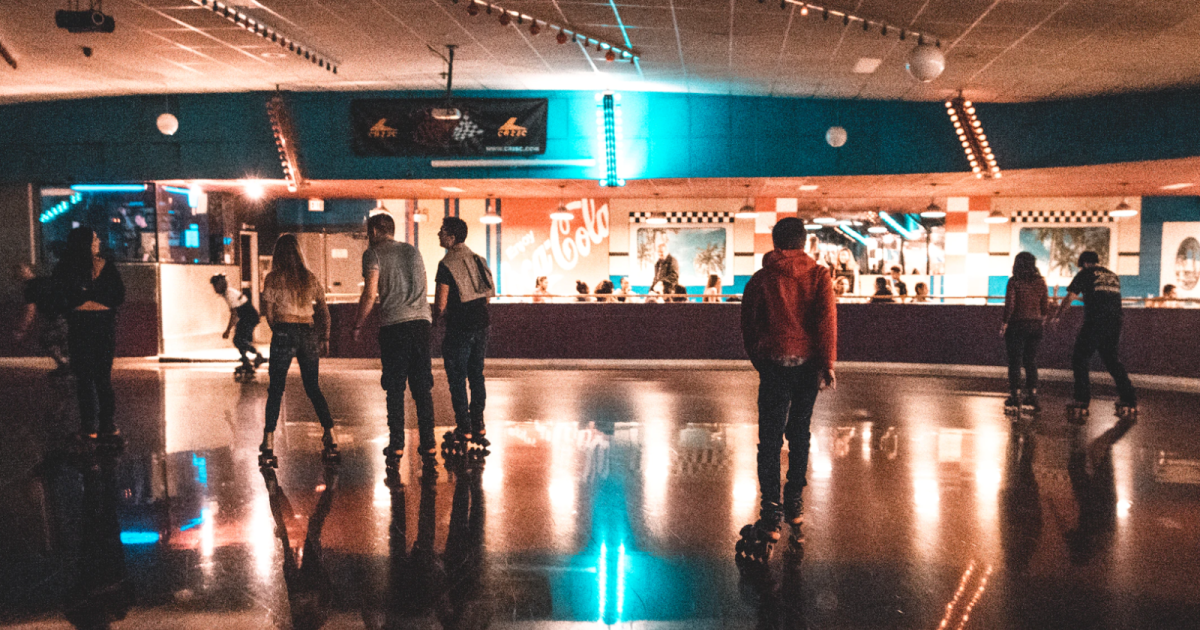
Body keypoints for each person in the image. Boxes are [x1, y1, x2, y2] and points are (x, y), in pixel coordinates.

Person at [738, 217, 837, 557]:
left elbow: (749, 325)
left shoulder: (761, 279)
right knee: (800, 432)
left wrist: (761, 359)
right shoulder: (820, 275)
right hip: (808, 366)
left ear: (775, 243)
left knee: (770, 439)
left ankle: (771, 512)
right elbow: (826, 321)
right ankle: (794, 502)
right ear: (804, 243)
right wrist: (827, 364)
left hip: (774, 364)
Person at [353, 213, 436, 466]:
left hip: (394, 327)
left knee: (395, 388)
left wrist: (358, 324)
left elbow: (370, 294)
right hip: (421, 324)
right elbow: (422, 284)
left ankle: (397, 446)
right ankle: (429, 445)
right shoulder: (413, 251)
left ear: (375, 231)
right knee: (422, 388)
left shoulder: (373, 254)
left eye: (368, 232)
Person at [260, 234, 337, 467]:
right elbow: (324, 311)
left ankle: (268, 441)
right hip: (308, 332)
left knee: (276, 389)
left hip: (284, 330)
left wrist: (280, 332)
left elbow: (269, 314)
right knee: (313, 388)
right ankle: (331, 435)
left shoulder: (273, 278)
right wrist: (325, 337)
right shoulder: (309, 278)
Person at [53, 227, 125, 444]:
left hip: (80, 325)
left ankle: (88, 427)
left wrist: (82, 297)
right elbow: (118, 296)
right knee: (103, 377)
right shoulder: (107, 267)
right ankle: (108, 426)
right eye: (94, 238)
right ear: (85, 243)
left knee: (84, 378)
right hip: (103, 325)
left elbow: (60, 298)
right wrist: (98, 297)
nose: (98, 241)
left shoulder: (64, 268)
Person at [432, 216, 496, 455]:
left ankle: (464, 426)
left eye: (442, 231)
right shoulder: (479, 259)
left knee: (457, 377)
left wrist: (435, 320)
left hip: (459, 327)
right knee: (476, 374)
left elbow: (440, 303)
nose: (438, 234)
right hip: (482, 324)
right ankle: (478, 423)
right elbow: (487, 296)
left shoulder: (446, 264)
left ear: (451, 237)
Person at [1049, 251, 1137, 421]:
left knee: (1080, 358)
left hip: (1096, 321)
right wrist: (1084, 300)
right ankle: (1129, 398)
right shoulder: (1112, 276)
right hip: (1115, 322)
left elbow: (1070, 297)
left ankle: (1081, 399)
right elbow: (1101, 297)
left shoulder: (1085, 273)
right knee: (1112, 361)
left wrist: (1057, 316)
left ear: (1084, 263)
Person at [1000, 252, 1049, 411]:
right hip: (1035, 326)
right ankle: (1032, 396)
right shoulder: (1041, 282)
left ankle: (1015, 396)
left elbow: (1010, 305)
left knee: (1015, 362)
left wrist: (1004, 323)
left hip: (1017, 325)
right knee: (1030, 361)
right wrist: (1040, 320)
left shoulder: (1014, 281)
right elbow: (1045, 306)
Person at [13, 262, 69, 375]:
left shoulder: (30, 288)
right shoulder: (46, 280)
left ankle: (65, 365)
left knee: (46, 340)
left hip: (55, 317)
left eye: (19, 272)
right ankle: (67, 366)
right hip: (66, 314)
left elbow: (30, 311)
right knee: (62, 341)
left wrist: (22, 330)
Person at [211, 273, 266, 375]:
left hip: (249, 317)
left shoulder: (230, 294)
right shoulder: (228, 293)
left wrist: (227, 330)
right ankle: (246, 360)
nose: (214, 289)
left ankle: (257, 356)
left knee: (239, 340)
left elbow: (234, 314)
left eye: (215, 286)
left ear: (221, 284)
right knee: (240, 340)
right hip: (246, 317)